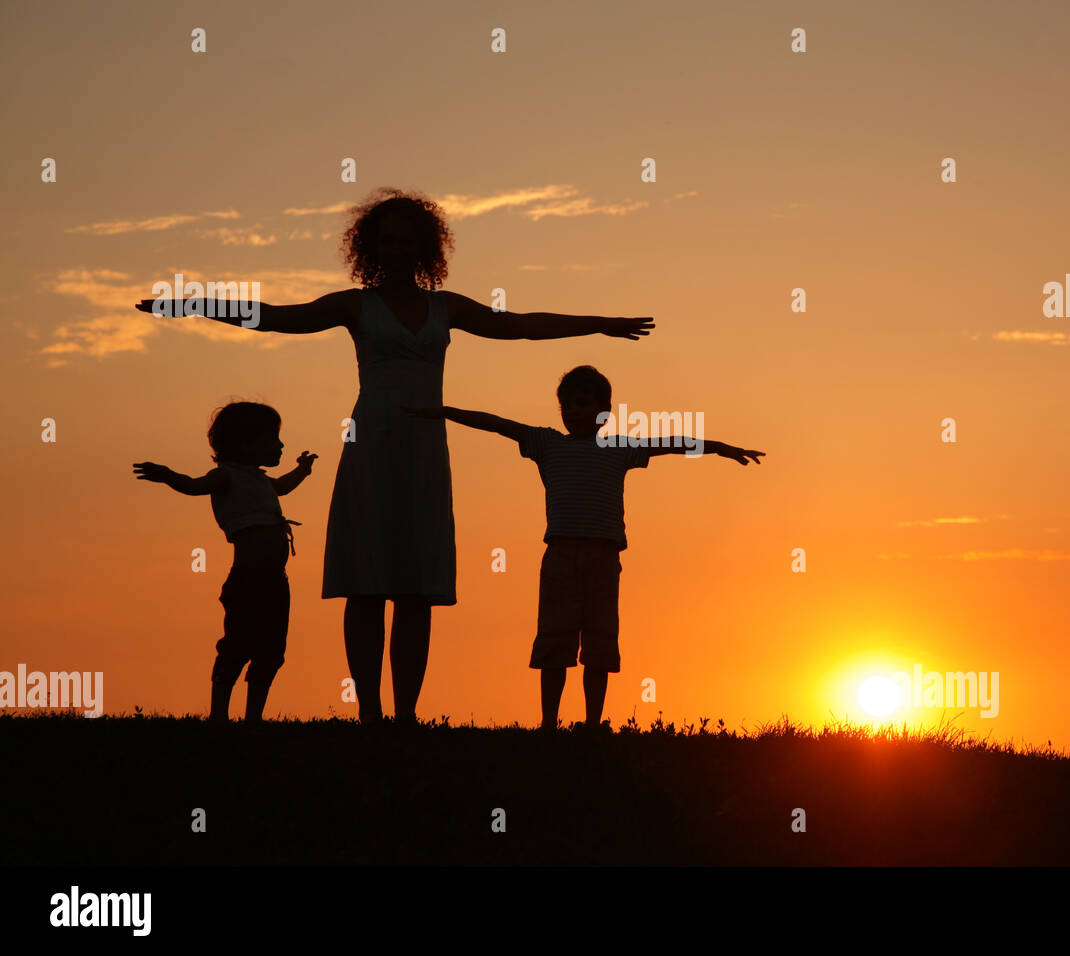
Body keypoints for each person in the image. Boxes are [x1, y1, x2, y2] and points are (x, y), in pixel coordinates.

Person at [135, 187, 654, 724]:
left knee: (415, 590)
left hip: (424, 453)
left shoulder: (445, 307)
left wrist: (597, 324)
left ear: (425, 247)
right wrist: (189, 304)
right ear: (372, 247)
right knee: (365, 585)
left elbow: (519, 325)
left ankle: (404, 714)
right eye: (389, 241)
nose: (399, 249)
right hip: (371, 449)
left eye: (409, 240)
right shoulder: (353, 305)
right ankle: (371, 713)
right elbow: (275, 317)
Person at [403, 365, 763, 731]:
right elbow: (497, 423)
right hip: (560, 557)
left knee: (600, 642)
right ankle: (548, 723)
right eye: (566, 405)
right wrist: (444, 412)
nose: (572, 410)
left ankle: (592, 723)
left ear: (604, 411)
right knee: (554, 641)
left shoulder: (620, 448)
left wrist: (720, 448)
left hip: (605, 559)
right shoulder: (547, 443)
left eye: (582, 403)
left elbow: (672, 443)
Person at [132, 401, 316, 721]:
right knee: (237, 645)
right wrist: (167, 475)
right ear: (246, 443)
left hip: (276, 582)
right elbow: (192, 486)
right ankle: (219, 714)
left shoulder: (261, 480)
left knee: (271, 651)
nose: (281, 445)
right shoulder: (225, 477)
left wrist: (302, 470)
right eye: (273, 438)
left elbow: (282, 487)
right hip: (247, 581)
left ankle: (253, 717)